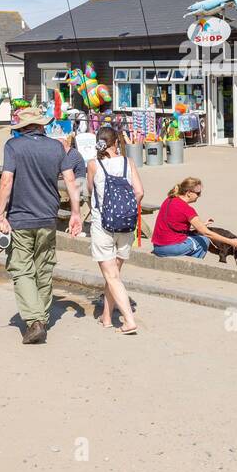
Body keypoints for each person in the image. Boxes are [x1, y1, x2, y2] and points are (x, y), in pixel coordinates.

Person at [0, 107, 82, 345]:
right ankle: (41, 319)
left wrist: (0, 215)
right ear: (42, 125)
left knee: (21, 268)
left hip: (20, 218)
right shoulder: (56, 147)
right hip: (48, 217)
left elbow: (6, 181)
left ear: (22, 128)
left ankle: (34, 320)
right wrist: (76, 213)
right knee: (43, 267)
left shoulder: (13, 147)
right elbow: (71, 180)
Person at [85, 128, 144, 334]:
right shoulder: (129, 163)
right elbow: (139, 192)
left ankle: (128, 320)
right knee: (114, 274)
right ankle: (107, 317)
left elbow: (90, 190)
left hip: (103, 224)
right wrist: (125, 210)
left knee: (112, 276)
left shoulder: (93, 165)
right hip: (126, 225)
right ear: (116, 142)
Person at [151, 177, 237, 259]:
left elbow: (174, 225)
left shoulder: (169, 199)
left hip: (157, 246)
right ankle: (191, 266)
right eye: (198, 193)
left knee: (193, 236)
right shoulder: (187, 209)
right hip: (168, 248)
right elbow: (207, 233)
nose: (199, 195)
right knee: (204, 240)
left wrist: (201, 225)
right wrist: (231, 242)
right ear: (188, 193)